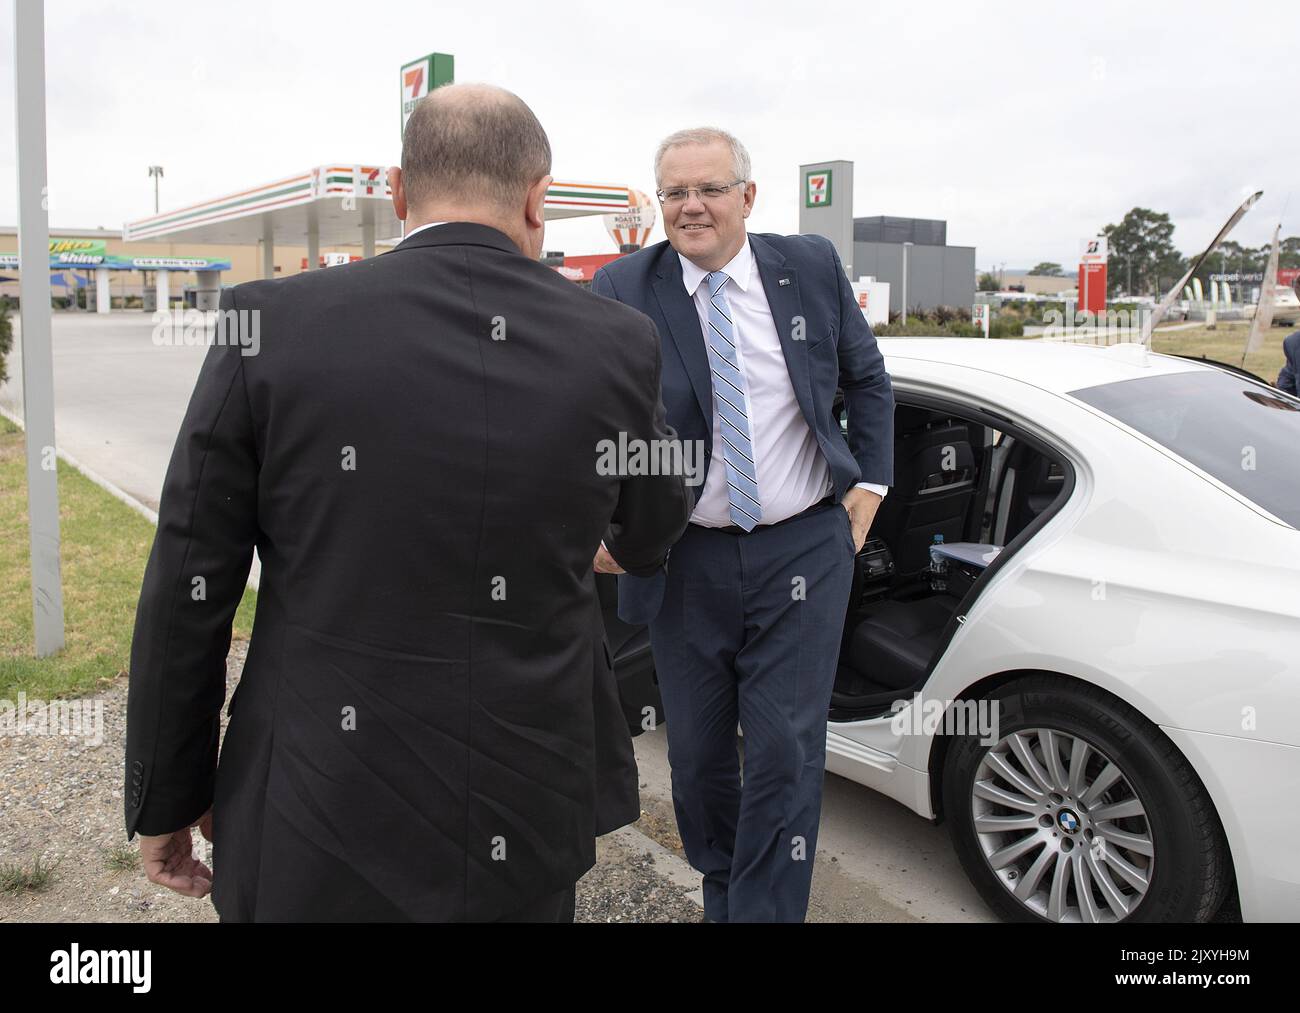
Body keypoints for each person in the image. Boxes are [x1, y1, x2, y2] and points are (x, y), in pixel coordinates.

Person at [123, 83, 692, 922]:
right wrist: (609, 547)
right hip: (520, 801)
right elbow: (654, 517)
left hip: (314, 798)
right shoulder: (616, 340)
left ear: (398, 191)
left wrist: (166, 794)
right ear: (538, 197)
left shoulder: (268, 322)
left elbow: (189, 579)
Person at [591, 127, 894, 922]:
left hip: (803, 548)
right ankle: (727, 888)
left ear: (747, 197)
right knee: (695, 762)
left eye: (710, 189)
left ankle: (760, 911)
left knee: (786, 756)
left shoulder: (811, 267)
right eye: (675, 193)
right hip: (684, 560)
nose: (692, 206)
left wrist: (873, 483)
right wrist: (597, 523)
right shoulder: (625, 287)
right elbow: (589, 417)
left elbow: (867, 377)